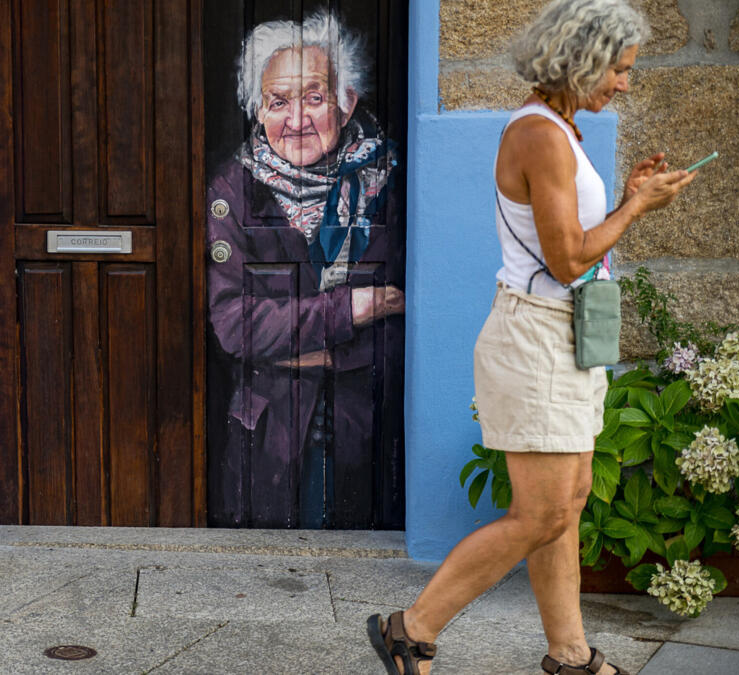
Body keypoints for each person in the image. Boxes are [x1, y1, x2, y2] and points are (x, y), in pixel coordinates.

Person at [366, 1, 695, 673]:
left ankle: (569, 655)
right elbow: (567, 259)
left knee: (565, 504)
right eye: (619, 70)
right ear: (581, 61)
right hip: (537, 338)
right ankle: (410, 627)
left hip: (562, 334)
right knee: (541, 513)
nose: (624, 84)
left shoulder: (563, 129)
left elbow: (568, 238)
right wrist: (637, 207)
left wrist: (623, 198)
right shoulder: (540, 133)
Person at [205, 9, 404, 528]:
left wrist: (305, 349)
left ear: (347, 101)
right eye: (278, 102)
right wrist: (352, 310)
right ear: (257, 110)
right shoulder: (233, 191)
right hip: (270, 434)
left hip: (367, 429)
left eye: (314, 98)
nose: (296, 120)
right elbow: (232, 324)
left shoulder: (389, 185)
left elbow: (409, 314)